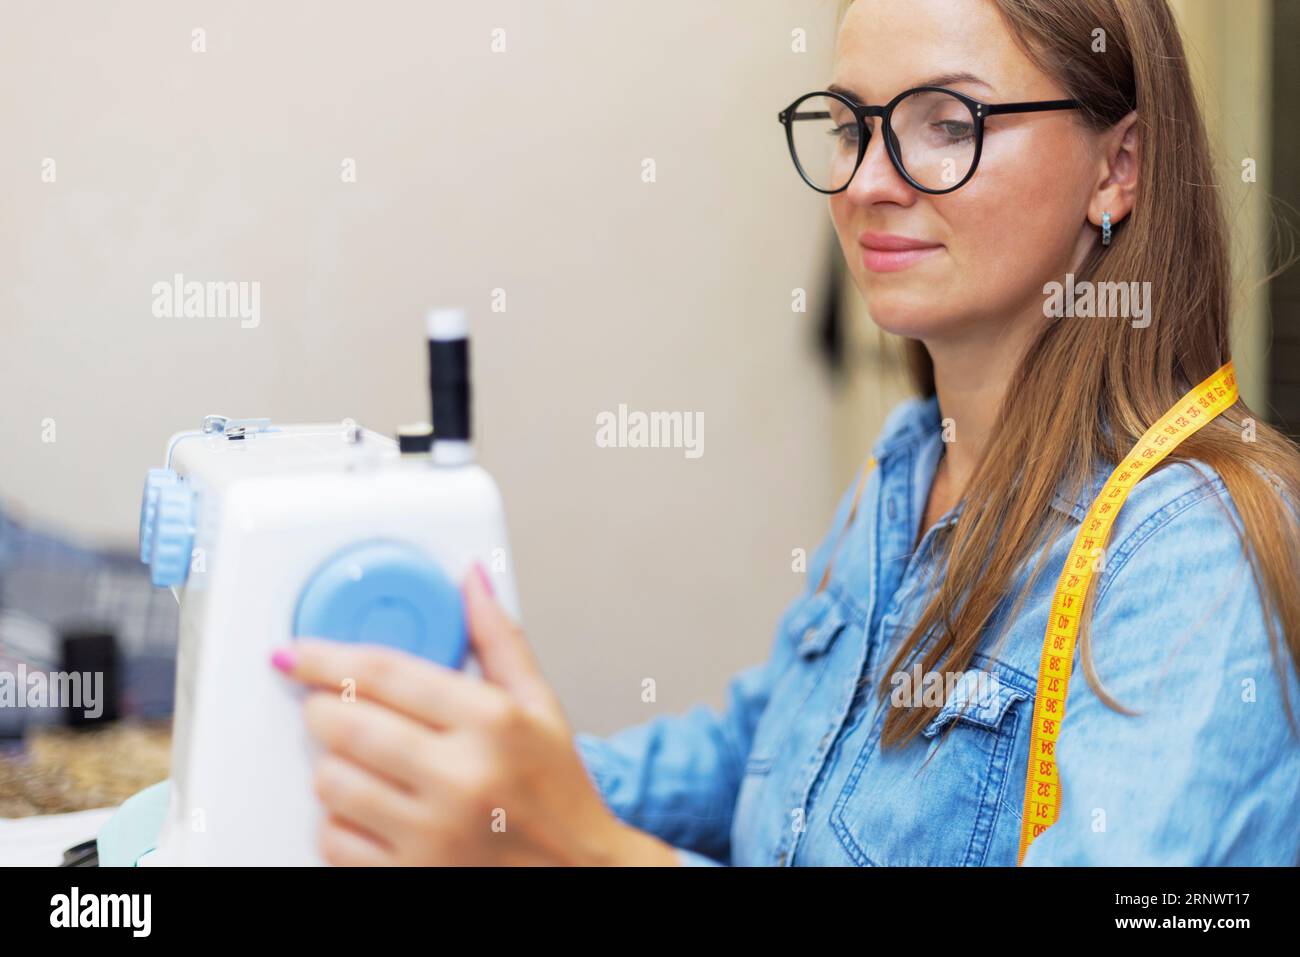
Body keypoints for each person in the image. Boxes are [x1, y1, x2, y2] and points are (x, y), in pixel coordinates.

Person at [271, 0, 1300, 865]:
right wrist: (493, 767)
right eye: (851, 126)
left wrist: (581, 846)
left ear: (1117, 168)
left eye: (945, 123)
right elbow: (759, 759)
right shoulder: (907, 469)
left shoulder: (1194, 554)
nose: (865, 183)